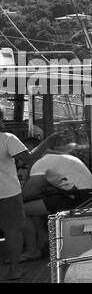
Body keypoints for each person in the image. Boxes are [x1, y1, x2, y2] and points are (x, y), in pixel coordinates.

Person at [22, 144, 92, 256]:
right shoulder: (57, 157)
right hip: (88, 195)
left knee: (19, 210)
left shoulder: (41, 163)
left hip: (78, 198)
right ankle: (43, 237)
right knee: (32, 206)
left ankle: (33, 250)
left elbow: (28, 192)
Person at [0, 112, 35, 280]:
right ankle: (14, 270)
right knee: (12, 231)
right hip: (7, 194)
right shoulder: (7, 139)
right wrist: (49, 141)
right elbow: (30, 159)